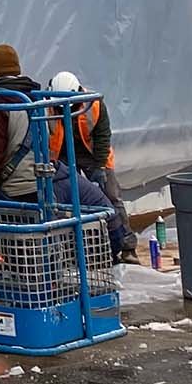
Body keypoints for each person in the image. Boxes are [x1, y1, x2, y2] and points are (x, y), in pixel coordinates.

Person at [0, 45, 133, 258]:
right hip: (48, 175)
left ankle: (119, 249)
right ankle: (109, 253)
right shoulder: (37, 97)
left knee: (20, 246)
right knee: (90, 211)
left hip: (22, 186)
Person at [51, 69, 134, 262]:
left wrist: (100, 167)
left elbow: (103, 136)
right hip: (62, 156)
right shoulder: (48, 104)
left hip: (93, 153)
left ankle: (127, 246)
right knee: (67, 202)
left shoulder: (94, 103)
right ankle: (75, 251)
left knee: (112, 196)